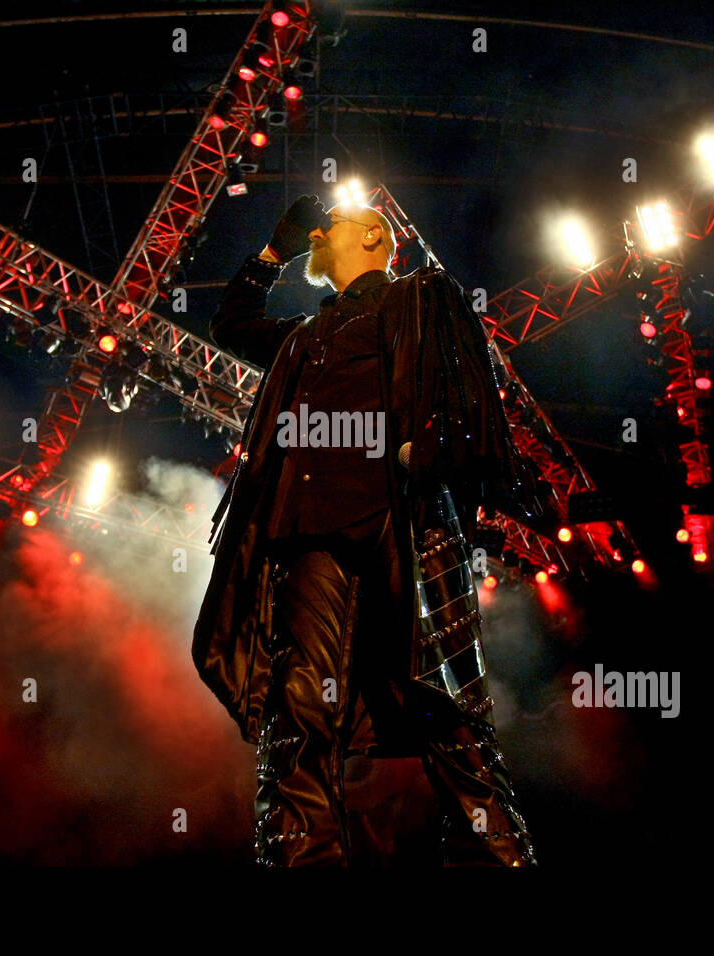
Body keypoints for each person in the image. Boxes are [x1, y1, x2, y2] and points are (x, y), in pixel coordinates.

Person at [192, 194, 547, 866]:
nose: (318, 234)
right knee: (297, 709)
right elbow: (231, 323)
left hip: (401, 517)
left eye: (332, 227)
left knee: (446, 702)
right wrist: (273, 255)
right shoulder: (302, 335)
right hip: (305, 532)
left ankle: (497, 858)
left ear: (375, 237)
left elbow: (467, 385)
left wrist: (429, 451)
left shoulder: (417, 296)